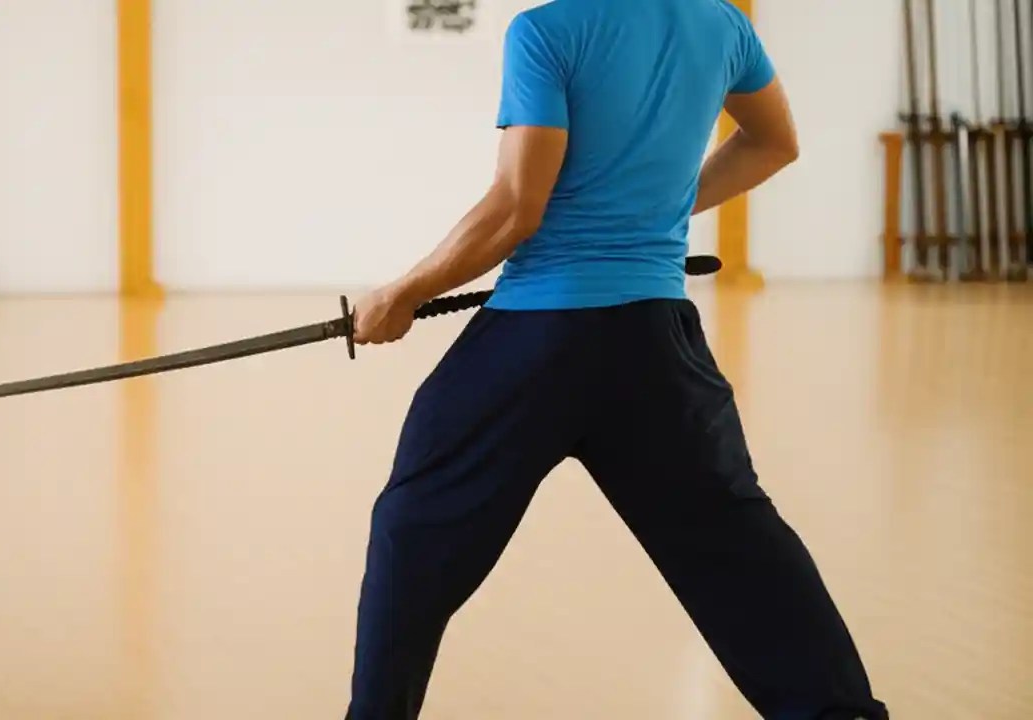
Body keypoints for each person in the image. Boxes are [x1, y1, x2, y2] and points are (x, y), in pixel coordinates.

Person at [346, 0, 889, 718]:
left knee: (413, 532)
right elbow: (774, 143)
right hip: (656, 347)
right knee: (737, 548)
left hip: (537, 341)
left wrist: (403, 292)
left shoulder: (547, 31)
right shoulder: (720, 22)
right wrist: (646, 208)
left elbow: (516, 207)